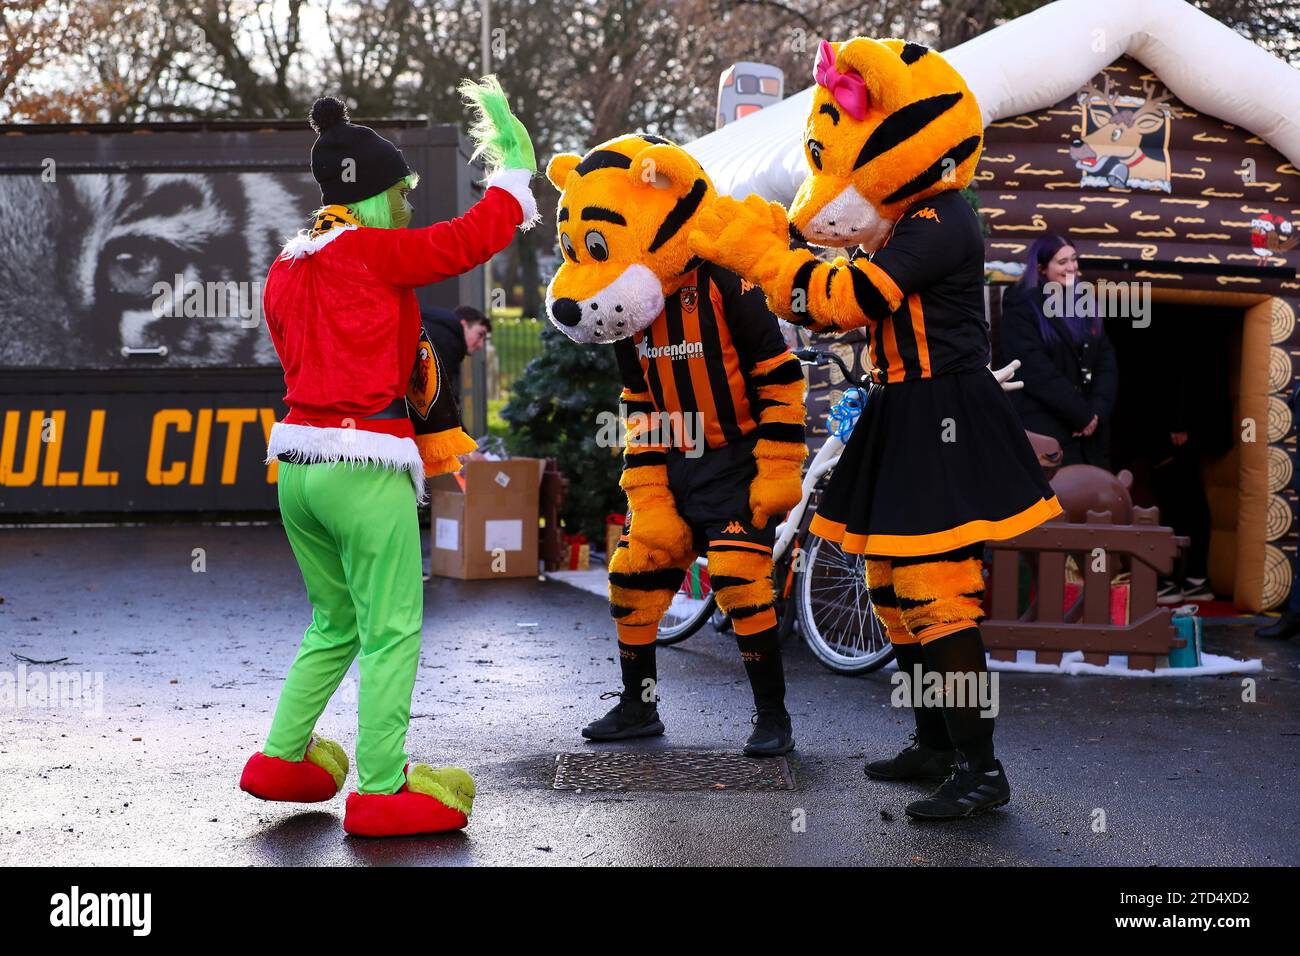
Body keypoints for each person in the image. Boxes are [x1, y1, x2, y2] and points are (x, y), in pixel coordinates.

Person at [691, 37, 1061, 820]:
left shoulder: (943, 219)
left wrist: (766, 258)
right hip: (903, 407)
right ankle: (935, 744)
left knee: (936, 593)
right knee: (891, 585)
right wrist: (774, 249)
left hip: (943, 411)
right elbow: (838, 290)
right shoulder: (904, 222)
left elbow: (844, 301)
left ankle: (982, 768)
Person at [237, 79, 538, 838]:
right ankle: (379, 789)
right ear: (372, 194)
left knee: (333, 620)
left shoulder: (285, 266)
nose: (407, 206)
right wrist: (511, 178)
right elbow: (463, 241)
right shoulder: (373, 253)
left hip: (298, 470)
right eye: (401, 193)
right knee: (392, 628)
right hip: (365, 464)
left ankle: (281, 756)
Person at [543, 134, 807, 757]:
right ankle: (639, 706)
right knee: (633, 573)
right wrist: (650, 493)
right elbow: (638, 403)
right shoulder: (623, 301)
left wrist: (777, 467)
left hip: (737, 458)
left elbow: (778, 376)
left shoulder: (723, 278)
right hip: (674, 459)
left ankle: (773, 717)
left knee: (741, 578)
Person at [998, 234, 1119, 469]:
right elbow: (1035, 369)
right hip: (1048, 433)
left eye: (1074, 259)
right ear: (1042, 268)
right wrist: (1081, 415)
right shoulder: (1021, 304)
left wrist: (1097, 411)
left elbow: (1105, 359)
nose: (1071, 267)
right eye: (1062, 262)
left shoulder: (1084, 299)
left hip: (1090, 435)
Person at [421, 304, 491, 402]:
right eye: (480, 334)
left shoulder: (435, 329)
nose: (480, 345)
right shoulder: (447, 342)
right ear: (464, 324)